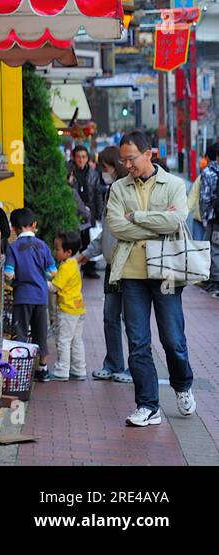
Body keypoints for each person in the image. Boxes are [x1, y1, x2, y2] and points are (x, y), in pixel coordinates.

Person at [103, 130, 197, 427]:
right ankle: (148, 405)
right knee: (138, 341)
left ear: (149, 153)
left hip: (167, 270)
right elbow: (117, 227)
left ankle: (182, 385)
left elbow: (176, 220)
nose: (127, 164)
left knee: (172, 337)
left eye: (131, 158)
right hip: (131, 274)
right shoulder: (119, 188)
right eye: (123, 160)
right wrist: (155, 224)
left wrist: (137, 218)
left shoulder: (174, 185)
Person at [80, 146, 132, 383]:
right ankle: (113, 363)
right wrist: (87, 254)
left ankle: (134, 368)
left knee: (133, 321)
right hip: (112, 266)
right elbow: (106, 232)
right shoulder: (112, 191)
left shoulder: (130, 192)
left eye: (106, 167)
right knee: (110, 317)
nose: (104, 172)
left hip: (131, 267)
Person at [5, 207, 57, 383]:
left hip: (22, 297)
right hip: (41, 296)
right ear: (34, 225)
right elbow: (53, 272)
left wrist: (9, 281)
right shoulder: (43, 246)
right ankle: (42, 369)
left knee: (20, 332)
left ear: (13, 228)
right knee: (40, 333)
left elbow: (9, 274)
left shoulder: (13, 248)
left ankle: (20, 370)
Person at [49, 232, 86, 381]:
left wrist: (39, 281)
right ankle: (79, 369)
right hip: (78, 308)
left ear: (68, 252)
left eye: (57, 249)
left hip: (67, 309)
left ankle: (62, 370)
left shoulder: (65, 267)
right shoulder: (73, 264)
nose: (54, 252)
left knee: (63, 340)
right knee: (77, 340)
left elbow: (54, 288)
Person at [68, 144, 101, 277]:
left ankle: (90, 268)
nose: (81, 160)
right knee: (75, 240)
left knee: (90, 239)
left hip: (90, 210)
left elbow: (98, 193)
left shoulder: (94, 174)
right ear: (74, 158)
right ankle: (73, 267)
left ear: (87, 158)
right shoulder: (69, 172)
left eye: (83, 157)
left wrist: (98, 213)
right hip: (74, 211)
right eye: (78, 157)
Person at [197, 141, 219, 297]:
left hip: (214, 216)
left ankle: (214, 281)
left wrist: (204, 216)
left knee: (212, 248)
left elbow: (205, 198)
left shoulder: (208, 173)